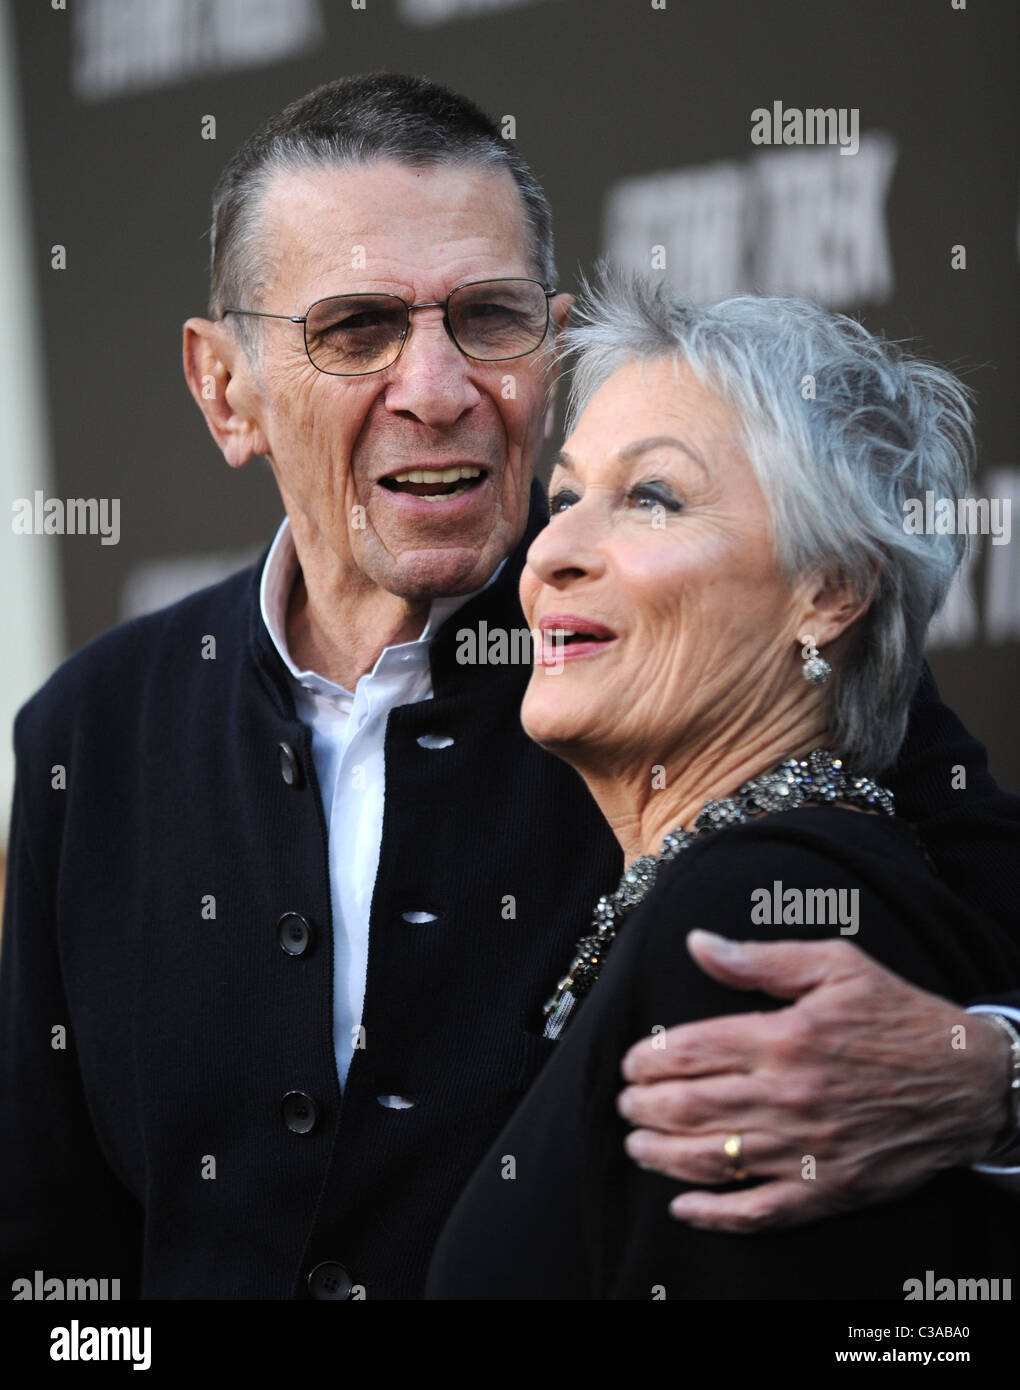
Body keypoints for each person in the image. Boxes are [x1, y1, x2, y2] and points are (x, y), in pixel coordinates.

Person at [0, 75, 1017, 1303]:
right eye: (358, 329)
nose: (437, 389)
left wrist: (996, 1076)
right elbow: (59, 1275)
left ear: (553, 346)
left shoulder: (694, 669)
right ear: (227, 390)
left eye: (488, 318)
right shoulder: (93, 729)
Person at [425, 275, 1020, 1299]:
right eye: (564, 498)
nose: (551, 552)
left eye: (651, 497)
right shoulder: (721, 893)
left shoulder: (750, 927)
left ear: (828, 590)